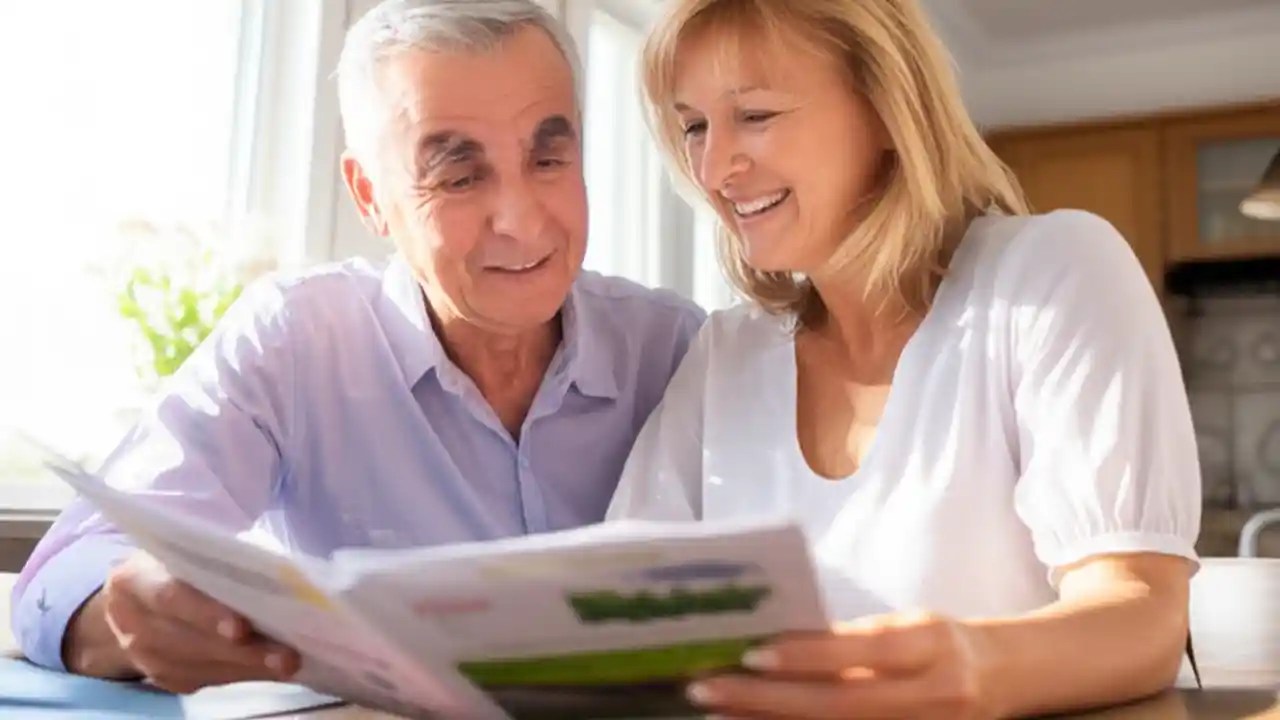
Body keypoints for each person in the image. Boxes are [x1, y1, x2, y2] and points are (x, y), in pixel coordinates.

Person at [12, 0, 703, 693]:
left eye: (549, 158)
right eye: (459, 176)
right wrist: (129, 612)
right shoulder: (297, 341)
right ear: (370, 196)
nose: (521, 221)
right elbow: (65, 574)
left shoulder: (679, 352)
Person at [607, 0, 1200, 717]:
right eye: (694, 126)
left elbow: (1142, 616)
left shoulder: (1051, 274)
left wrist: (976, 664)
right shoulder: (723, 355)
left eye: (755, 115)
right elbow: (614, 616)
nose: (712, 166)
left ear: (887, 110)